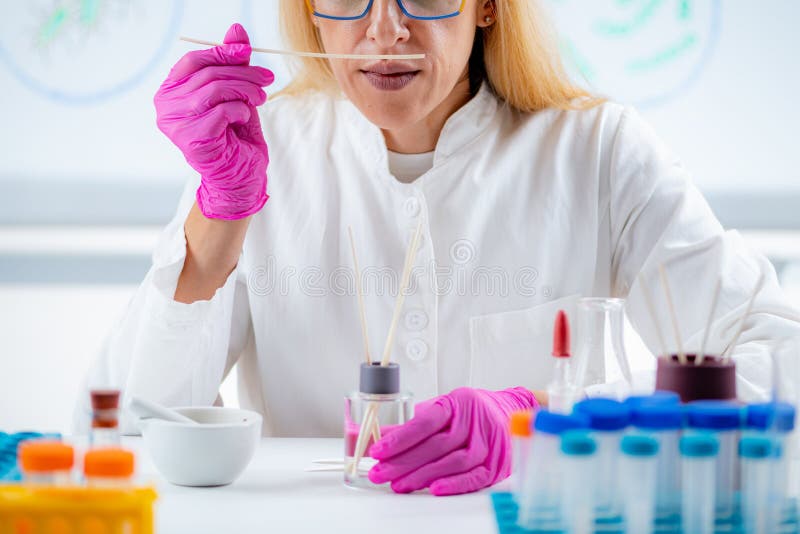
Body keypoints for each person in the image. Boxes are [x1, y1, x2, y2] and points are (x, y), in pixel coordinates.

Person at [78, 0, 800, 496]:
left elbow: (782, 367)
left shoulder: (597, 154)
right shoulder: (260, 155)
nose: (383, 30)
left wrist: (549, 420)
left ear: (487, 4)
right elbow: (117, 432)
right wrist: (219, 215)